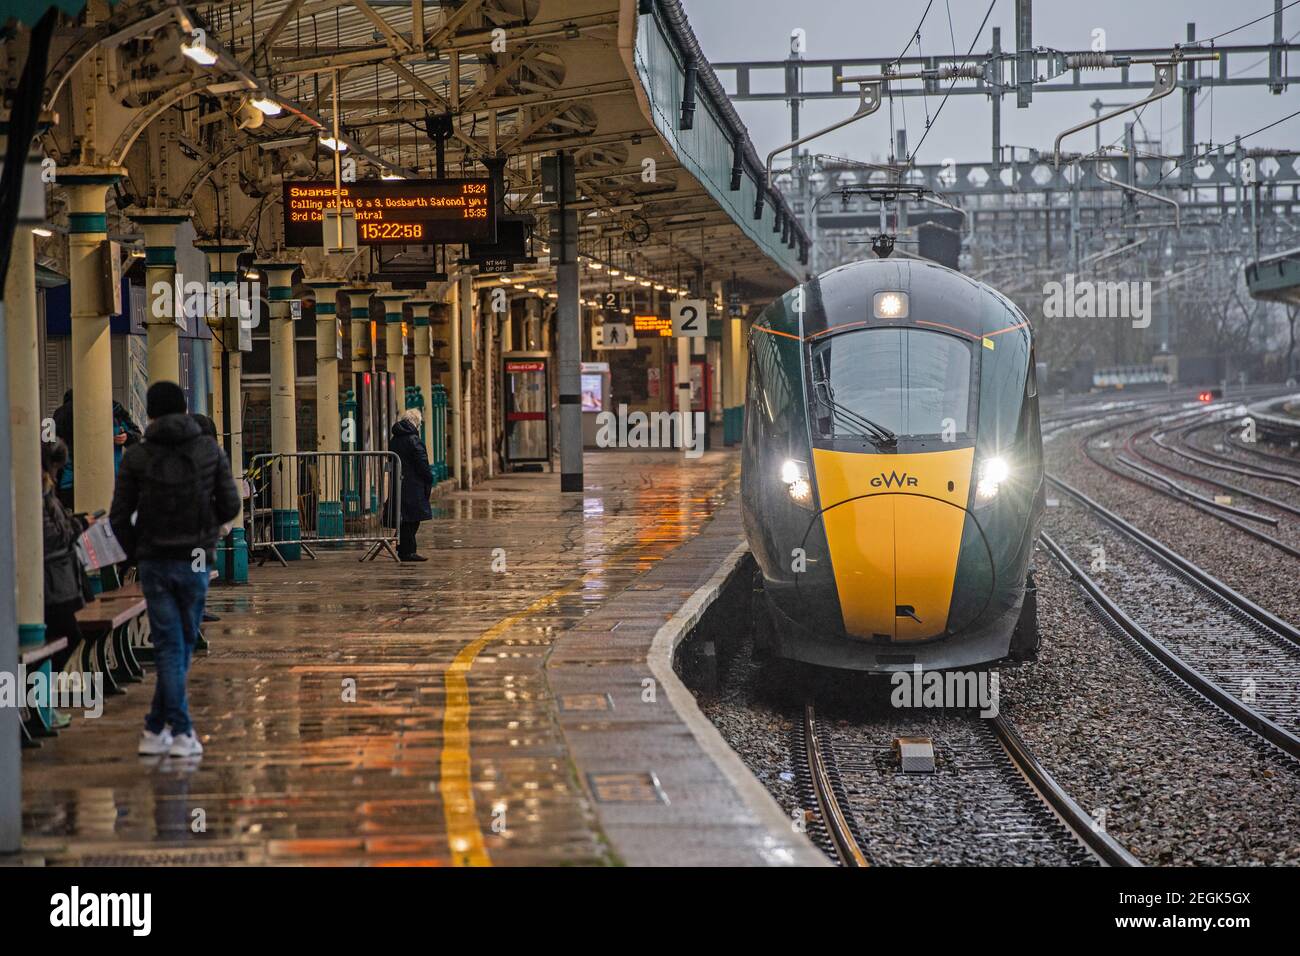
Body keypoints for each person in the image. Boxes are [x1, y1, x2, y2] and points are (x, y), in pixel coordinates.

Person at [110, 381, 240, 758]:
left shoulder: (137, 456)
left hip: (154, 562)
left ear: (149, 413)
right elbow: (230, 505)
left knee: (172, 642)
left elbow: (119, 517)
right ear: (184, 409)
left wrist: (139, 552)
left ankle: (154, 727)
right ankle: (181, 730)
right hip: (196, 560)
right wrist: (205, 531)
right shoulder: (208, 450)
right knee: (179, 641)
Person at [41, 439, 92, 675]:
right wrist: (79, 524)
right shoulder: (38, 495)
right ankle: (37, 698)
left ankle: (40, 699)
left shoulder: (47, 494)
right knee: (68, 633)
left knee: (67, 633)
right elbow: (50, 537)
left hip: (60, 578)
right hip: (52, 579)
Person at [52, 389, 142, 507]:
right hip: (108, 481)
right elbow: (137, 436)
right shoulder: (114, 410)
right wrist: (127, 437)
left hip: (68, 482)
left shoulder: (60, 414)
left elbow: (51, 446)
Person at [388, 408, 433, 562]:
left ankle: (404, 549)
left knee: (406, 518)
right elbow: (422, 462)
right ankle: (408, 551)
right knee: (413, 519)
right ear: (416, 423)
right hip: (413, 484)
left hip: (400, 482)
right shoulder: (414, 439)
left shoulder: (395, 439)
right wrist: (428, 477)